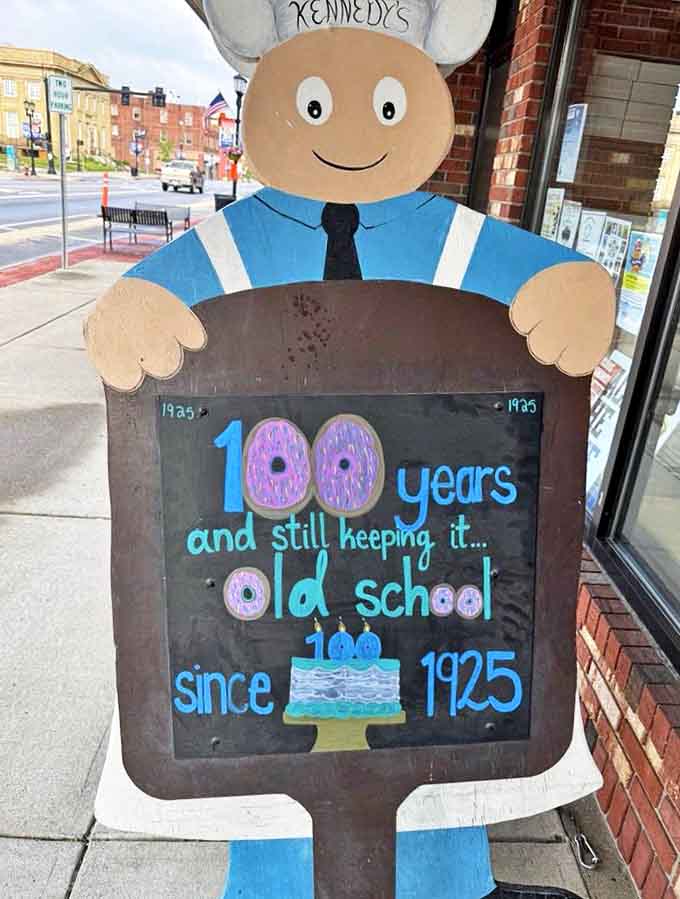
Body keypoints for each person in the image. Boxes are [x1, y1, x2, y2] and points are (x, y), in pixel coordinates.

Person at [85, 2, 614, 896]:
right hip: (259, 630)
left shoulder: (446, 239)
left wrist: (571, 298)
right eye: (320, 104)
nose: (357, 124)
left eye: (387, 100)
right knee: (275, 828)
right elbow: (144, 313)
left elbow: (545, 285)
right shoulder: (243, 242)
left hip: (438, 633)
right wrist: (133, 321)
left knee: (442, 819)